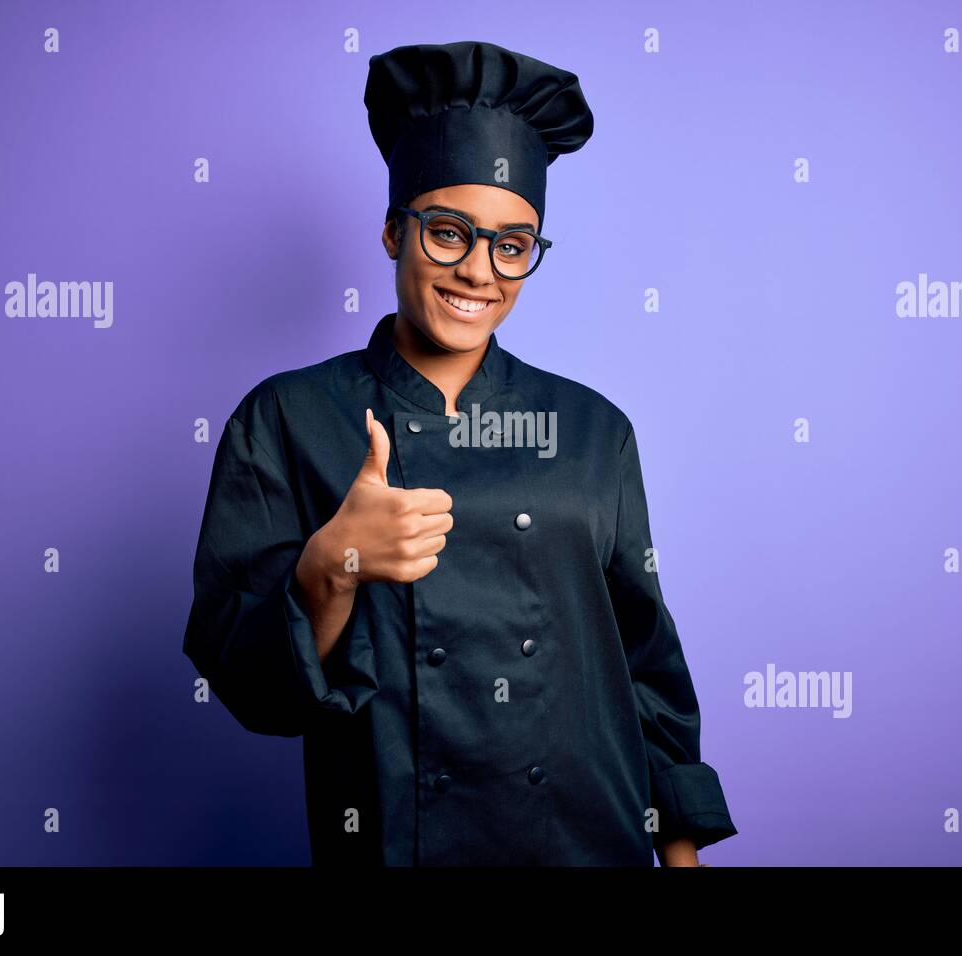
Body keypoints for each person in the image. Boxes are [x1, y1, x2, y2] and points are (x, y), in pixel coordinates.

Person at [182, 39, 737, 866]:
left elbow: (648, 666)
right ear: (392, 232)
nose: (479, 271)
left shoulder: (594, 431)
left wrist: (682, 857)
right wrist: (329, 566)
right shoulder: (287, 418)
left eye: (513, 245)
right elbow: (249, 687)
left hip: (591, 843)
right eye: (448, 233)